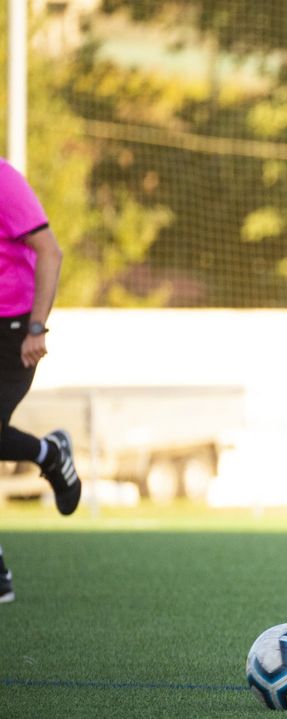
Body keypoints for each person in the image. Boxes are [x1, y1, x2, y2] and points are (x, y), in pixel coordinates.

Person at [0, 157, 82, 603]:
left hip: (12, 333)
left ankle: (49, 454)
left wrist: (36, 327)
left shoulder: (3, 180)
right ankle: (49, 454)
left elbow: (51, 251)